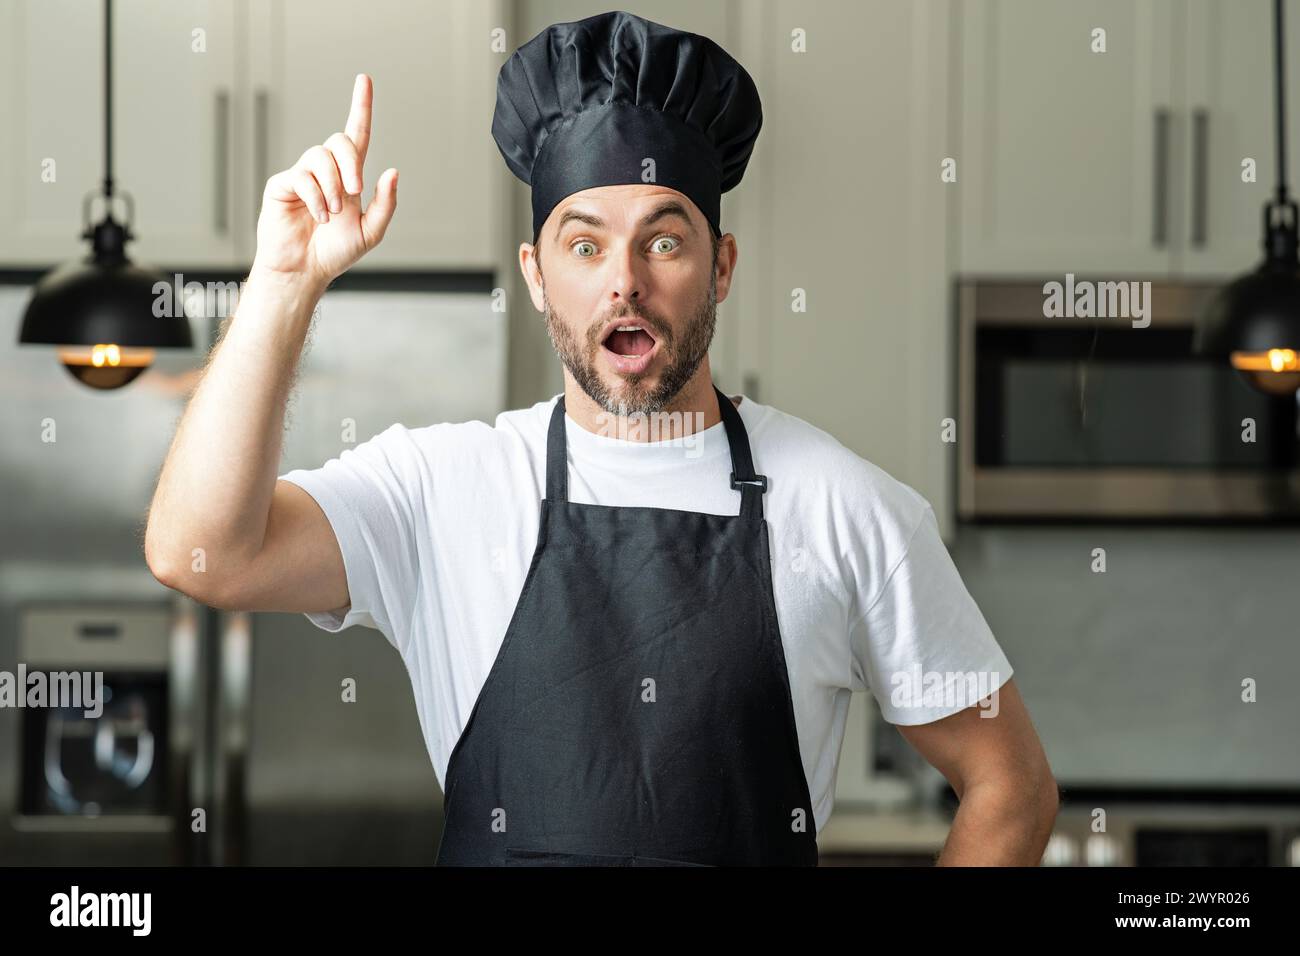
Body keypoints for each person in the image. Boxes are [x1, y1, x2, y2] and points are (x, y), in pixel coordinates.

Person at [145, 10, 1058, 867]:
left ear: (721, 267)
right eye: (585, 247)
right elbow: (201, 556)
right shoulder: (446, 488)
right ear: (537, 277)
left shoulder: (843, 506)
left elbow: (1010, 788)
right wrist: (284, 282)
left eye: (664, 242)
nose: (624, 282)